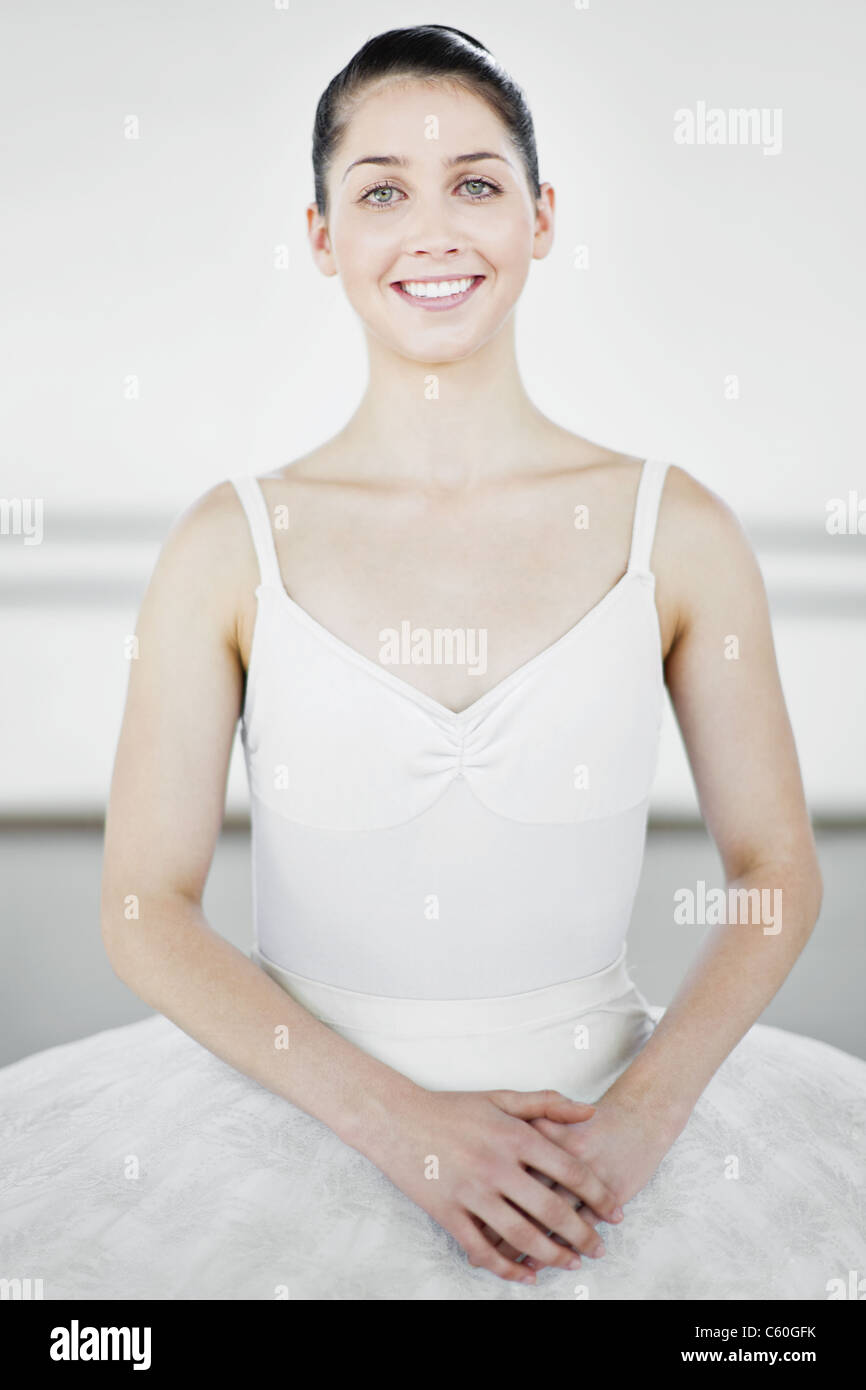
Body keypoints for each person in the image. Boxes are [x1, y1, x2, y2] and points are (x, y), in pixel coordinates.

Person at [2, 25, 863, 1301]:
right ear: (320, 236)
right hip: (293, 1120)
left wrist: (640, 1122)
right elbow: (143, 908)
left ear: (540, 215)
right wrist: (402, 1126)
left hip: (606, 1121)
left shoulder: (670, 528)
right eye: (381, 192)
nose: (433, 229)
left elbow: (772, 868)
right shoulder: (227, 544)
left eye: (473, 182)